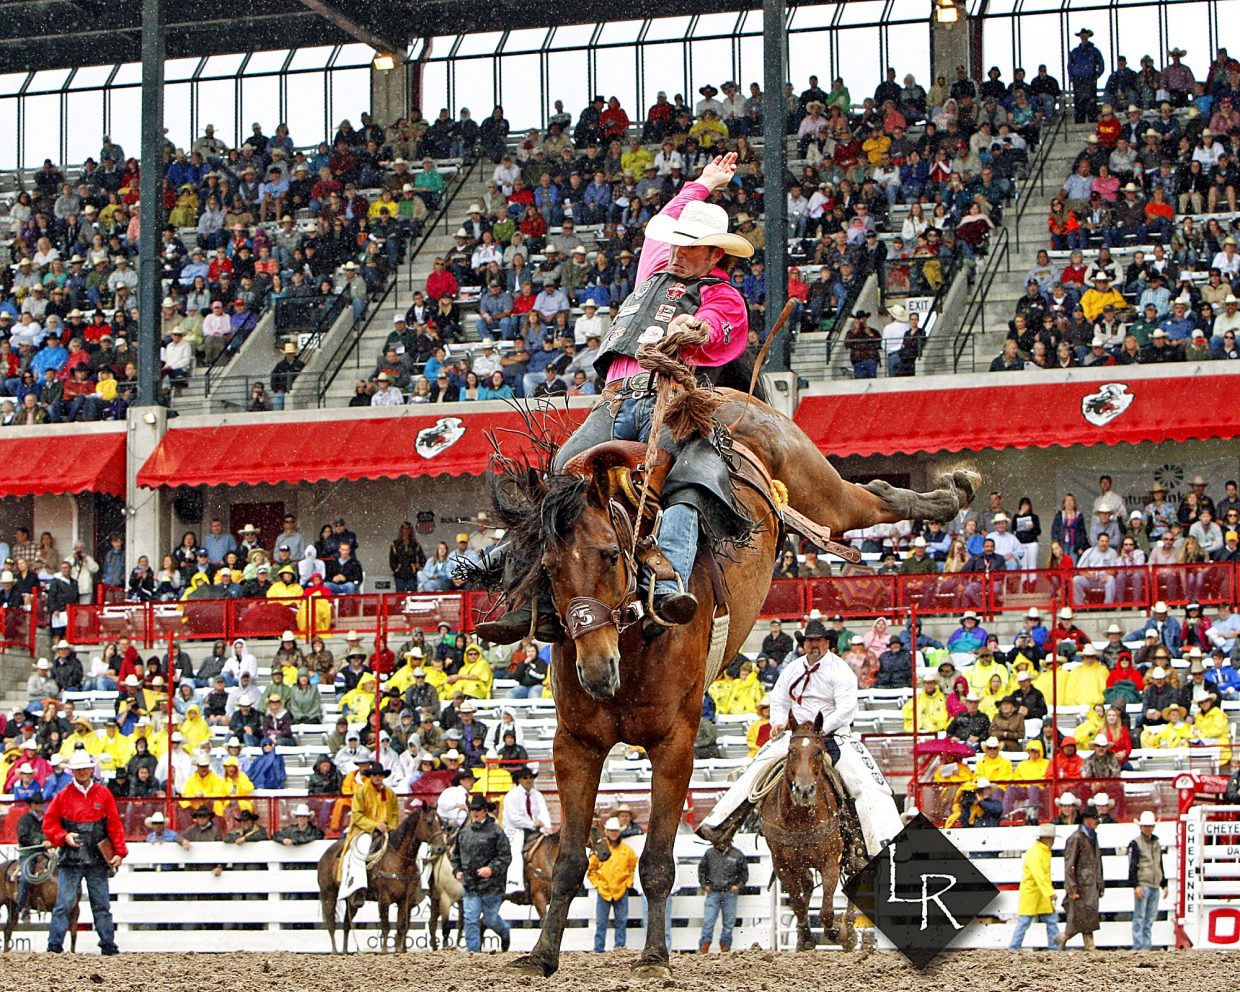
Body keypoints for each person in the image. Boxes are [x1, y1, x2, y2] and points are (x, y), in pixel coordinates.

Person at [477, 152, 755, 643]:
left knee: (692, 479)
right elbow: (658, 228)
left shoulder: (723, 295)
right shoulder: (657, 266)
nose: (676, 253)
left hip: (673, 404)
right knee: (559, 476)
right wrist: (703, 184)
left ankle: (665, 582)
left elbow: (718, 327)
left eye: (689, 248)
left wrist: (694, 328)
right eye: (676, 245)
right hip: (613, 402)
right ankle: (520, 590)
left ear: (715, 255)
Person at [697, 620, 903, 857]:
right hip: (796, 735)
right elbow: (779, 699)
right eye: (809, 641)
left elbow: (846, 708)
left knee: (866, 781)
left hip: (833, 735)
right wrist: (777, 721)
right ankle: (721, 824)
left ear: (827, 643)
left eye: (818, 640)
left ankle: (881, 845)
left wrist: (822, 730)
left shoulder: (840, 670)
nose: (813, 645)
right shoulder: (792, 669)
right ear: (803, 644)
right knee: (755, 769)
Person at [41, 750, 126, 954]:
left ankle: (108, 944)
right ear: (73, 772)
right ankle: (54, 945)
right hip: (72, 857)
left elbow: (114, 824)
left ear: (91, 769)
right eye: (78, 769)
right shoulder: (62, 796)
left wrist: (119, 852)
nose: (83, 772)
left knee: (101, 903)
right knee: (64, 903)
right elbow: (49, 825)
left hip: (96, 858)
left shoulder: (103, 794)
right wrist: (64, 836)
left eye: (85, 768)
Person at [452, 793, 511, 953]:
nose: (475, 812)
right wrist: (457, 870)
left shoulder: (496, 832)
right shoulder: (463, 833)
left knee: (491, 919)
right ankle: (474, 954)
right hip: (470, 884)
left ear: (485, 811)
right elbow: (455, 856)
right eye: (473, 809)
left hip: (492, 885)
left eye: (478, 809)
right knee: (470, 920)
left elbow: (505, 856)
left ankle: (504, 931)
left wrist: (491, 868)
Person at [336, 762, 399, 911]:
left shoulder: (390, 793)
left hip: (386, 830)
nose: (377, 777)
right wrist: (374, 825)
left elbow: (395, 813)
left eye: (380, 775)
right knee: (360, 851)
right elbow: (357, 815)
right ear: (370, 776)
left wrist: (390, 827)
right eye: (375, 775)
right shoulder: (361, 792)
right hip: (364, 831)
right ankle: (359, 888)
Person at [589, 815, 638, 952]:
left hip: (621, 889)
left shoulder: (627, 851)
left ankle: (619, 948)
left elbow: (633, 868)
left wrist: (628, 883)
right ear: (607, 832)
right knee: (601, 922)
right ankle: (599, 949)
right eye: (611, 831)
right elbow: (591, 869)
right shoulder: (601, 850)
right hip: (604, 890)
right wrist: (597, 884)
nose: (613, 834)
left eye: (615, 831)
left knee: (621, 922)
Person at [501, 764, 552, 895]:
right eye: (525, 778)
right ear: (519, 780)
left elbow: (544, 812)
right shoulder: (511, 795)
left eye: (531, 778)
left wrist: (547, 826)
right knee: (515, 852)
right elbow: (513, 818)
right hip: (515, 830)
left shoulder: (537, 795)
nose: (529, 780)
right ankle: (514, 883)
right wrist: (532, 824)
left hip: (535, 829)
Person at [1010, 822, 1061, 950]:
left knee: (1029, 921)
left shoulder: (1038, 851)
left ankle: (1015, 948)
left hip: (1035, 892)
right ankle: (1014, 947)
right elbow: (1039, 874)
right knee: (1030, 921)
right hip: (1035, 892)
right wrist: (1049, 892)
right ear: (1047, 838)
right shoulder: (1037, 852)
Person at [1060, 804, 1104, 949]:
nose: (1096, 822)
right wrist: (1071, 888)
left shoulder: (1090, 836)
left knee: (1085, 916)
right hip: (1082, 884)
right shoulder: (1077, 838)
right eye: (1094, 819)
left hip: (1088, 883)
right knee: (1080, 917)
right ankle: (1065, 939)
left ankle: (1087, 944)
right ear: (1087, 820)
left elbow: (1097, 862)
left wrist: (1100, 883)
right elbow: (1069, 864)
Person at [698, 837, 748, 953]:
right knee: (709, 921)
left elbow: (744, 873)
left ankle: (722, 946)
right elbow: (702, 871)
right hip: (715, 891)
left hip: (728, 892)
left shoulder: (736, 854)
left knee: (727, 923)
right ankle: (706, 947)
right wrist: (704, 884)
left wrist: (738, 886)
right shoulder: (711, 854)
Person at [1127, 809, 1166, 950]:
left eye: (1150, 826)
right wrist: (1135, 885)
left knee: (1148, 918)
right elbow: (1132, 865)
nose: (1148, 828)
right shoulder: (1136, 843)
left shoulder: (1156, 843)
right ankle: (1139, 945)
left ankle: (1145, 946)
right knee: (1141, 916)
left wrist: (1163, 883)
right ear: (1141, 827)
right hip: (1143, 883)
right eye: (1146, 826)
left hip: (1154, 883)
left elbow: (1159, 864)